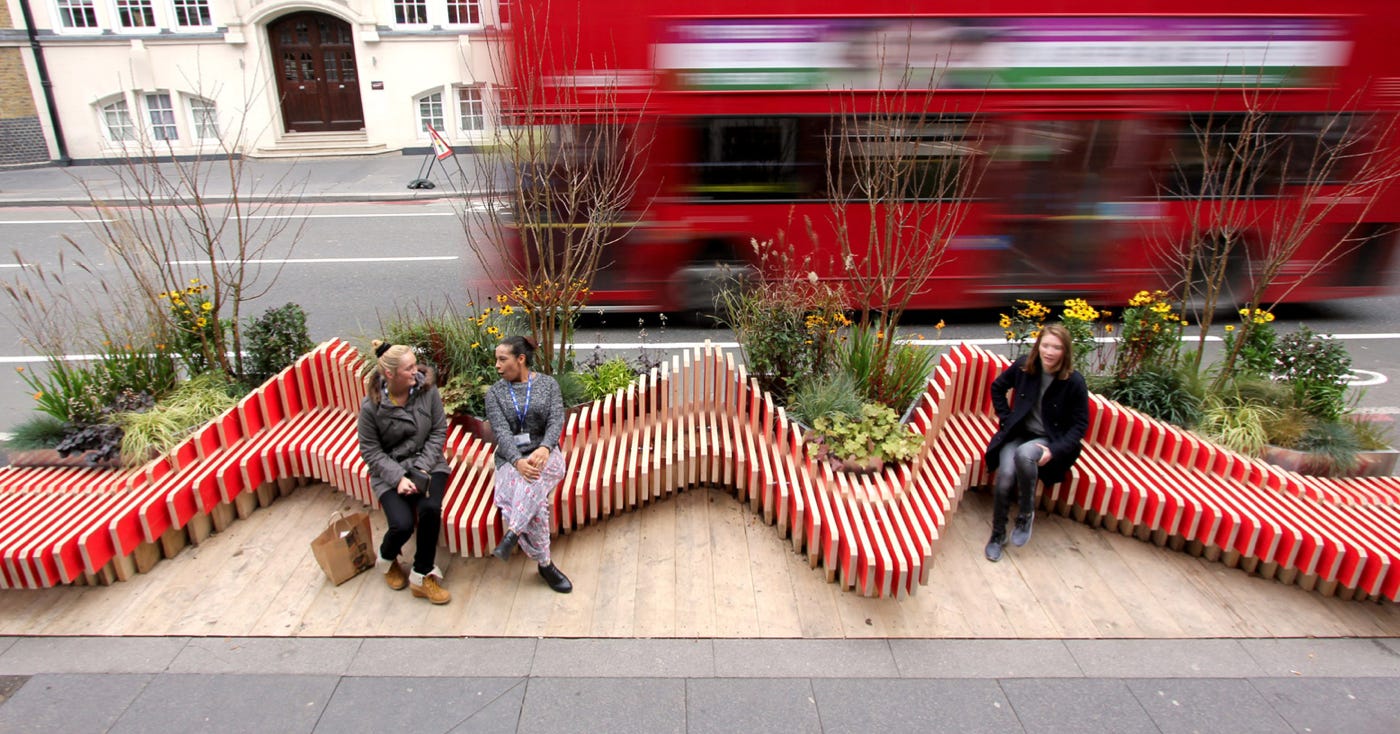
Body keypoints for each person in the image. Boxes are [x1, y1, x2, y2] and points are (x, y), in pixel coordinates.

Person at [982, 323, 1089, 563]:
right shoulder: (1024, 366)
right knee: (1005, 477)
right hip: (1018, 433)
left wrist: (1054, 449)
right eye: (1046, 345)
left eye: (1056, 348)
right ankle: (997, 535)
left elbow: (1080, 426)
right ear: (1038, 345)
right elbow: (998, 387)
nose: (1049, 352)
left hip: (1048, 440)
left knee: (1024, 454)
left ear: (1066, 352)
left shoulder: (1074, 382)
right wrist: (1006, 419)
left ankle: (1026, 513)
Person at [357, 341, 452, 604]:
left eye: (415, 365)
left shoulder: (428, 391)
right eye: (409, 368)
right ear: (390, 374)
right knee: (402, 525)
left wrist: (421, 467)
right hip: (390, 470)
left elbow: (438, 431)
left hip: (429, 463)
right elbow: (371, 452)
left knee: (430, 509)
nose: (416, 372)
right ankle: (387, 558)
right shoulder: (370, 409)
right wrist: (398, 478)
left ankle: (422, 575)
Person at [484, 335, 573, 593]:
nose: (497, 366)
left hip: (546, 456)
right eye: (496, 360)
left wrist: (545, 447)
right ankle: (545, 564)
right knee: (532, 488)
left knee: (533, 476)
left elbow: (556, 420)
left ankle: (513, 533)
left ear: (521, 359)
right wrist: (516, 461)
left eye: (503, 360)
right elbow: (501, 433)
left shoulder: (547, 385)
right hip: (512, 459)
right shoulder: (495, 394)